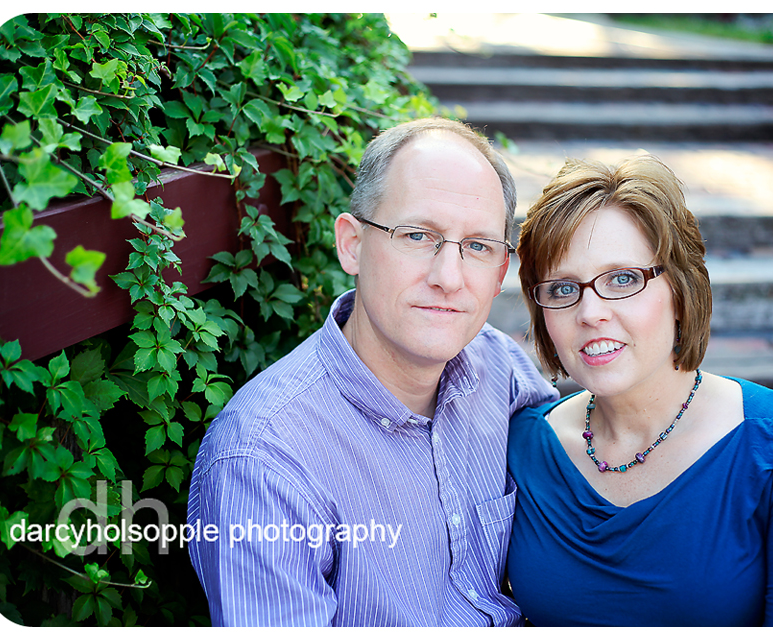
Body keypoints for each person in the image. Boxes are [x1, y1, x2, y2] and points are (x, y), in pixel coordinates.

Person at [186, 117, 559, 626]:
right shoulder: (264, 464)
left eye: (477, 246)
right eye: (417, 234)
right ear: (352, 245)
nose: (448, 278)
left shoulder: (501, 370)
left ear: (499, 273)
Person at [507, 156, 773, 626]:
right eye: (563, 287)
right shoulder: (525, 444)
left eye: (623, 279)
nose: (590, 312)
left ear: (680, 289)